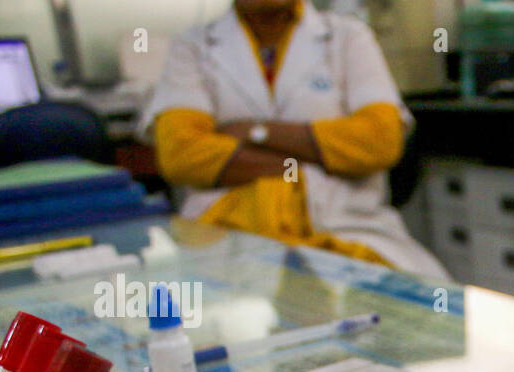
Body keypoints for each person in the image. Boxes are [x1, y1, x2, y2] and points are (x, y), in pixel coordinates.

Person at [140, 0, 446, 278]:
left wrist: (252, 132)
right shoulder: (192, 46)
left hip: (347, 226)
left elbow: (380, 142)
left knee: (430, 308)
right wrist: (315, 160)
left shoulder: (348, 36)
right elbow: (180, 155)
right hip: (227, 233)